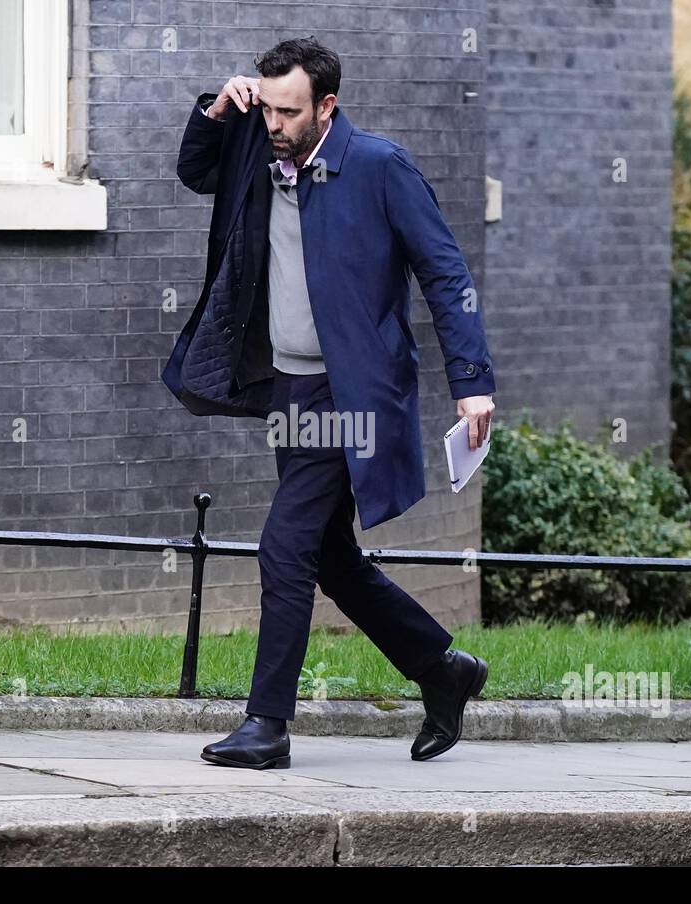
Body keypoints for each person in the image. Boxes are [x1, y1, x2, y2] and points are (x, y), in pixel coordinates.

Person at [165, 37, 496, 769]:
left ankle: (267, 725)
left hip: (353, 394)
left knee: (286, 545)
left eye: (289, 112)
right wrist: (218, 113)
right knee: (332, 558)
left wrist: (472, 381)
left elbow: (445, 272)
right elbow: (194, 172)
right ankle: (443, 669)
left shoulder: (378, 166)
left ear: (327, 106)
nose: (275, 124)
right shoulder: (257, 144)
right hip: (290, 386)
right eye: (268, 108)